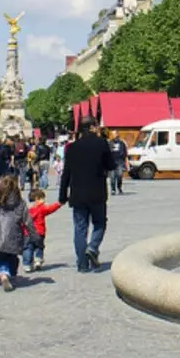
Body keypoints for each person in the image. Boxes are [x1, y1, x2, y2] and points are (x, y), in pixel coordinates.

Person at [59, 116, 115, 272]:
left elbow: (66, 174)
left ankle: (82, 265)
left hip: (77, 194)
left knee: (80, 229)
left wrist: (62, 195)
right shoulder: (101, 143)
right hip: (97, 192)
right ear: (91, 127)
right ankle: (92, 247)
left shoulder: (71, 148)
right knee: (100, 223)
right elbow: (110, 165)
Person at [0, 174, 37, 291]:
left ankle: (4, 273)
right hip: (14, 236)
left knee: (2, 257)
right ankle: (13, 276)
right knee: (13, 258)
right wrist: (35, 237)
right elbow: (28, 221)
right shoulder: (21, 202)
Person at [23, 188, 61, 271]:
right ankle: (38, 260)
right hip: (39, 232)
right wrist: (59, 204)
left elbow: (22, 222)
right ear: (37, 199)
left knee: (27, 248)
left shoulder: (26, 210)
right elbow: (50, 209)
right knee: (39, 247)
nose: (44, 201)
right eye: (42, 198)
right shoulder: (41, 208)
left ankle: (27, 264)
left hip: (27, 233)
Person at [107, 130, 127, 195]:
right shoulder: (109, 143)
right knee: (112, 177)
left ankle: (119, 188)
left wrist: (123, 161)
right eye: (112, 134)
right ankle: (113, 189)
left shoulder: (122, 143)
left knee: (120, 175)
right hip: (112, 162)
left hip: (119, 161)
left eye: (114, 134)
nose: (113, 135)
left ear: (117, 134)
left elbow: (125, 152)